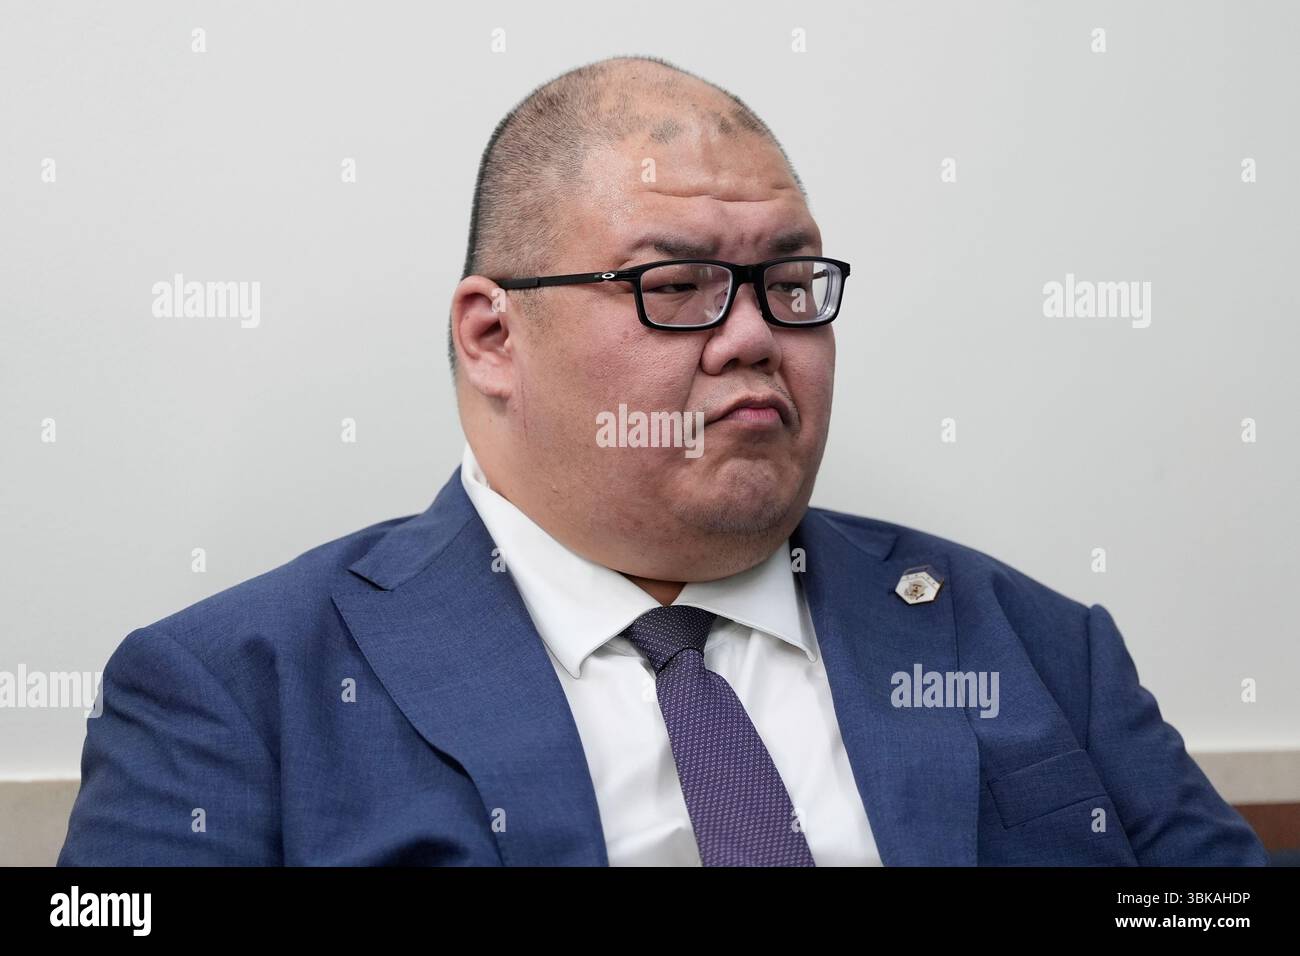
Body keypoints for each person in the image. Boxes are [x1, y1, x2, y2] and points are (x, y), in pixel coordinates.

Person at [58, 55, 1266, 866]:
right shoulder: (235, 690)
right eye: (675, 284)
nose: (753, 336)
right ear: (492, 337)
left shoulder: (1028, 641)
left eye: (790, 283)